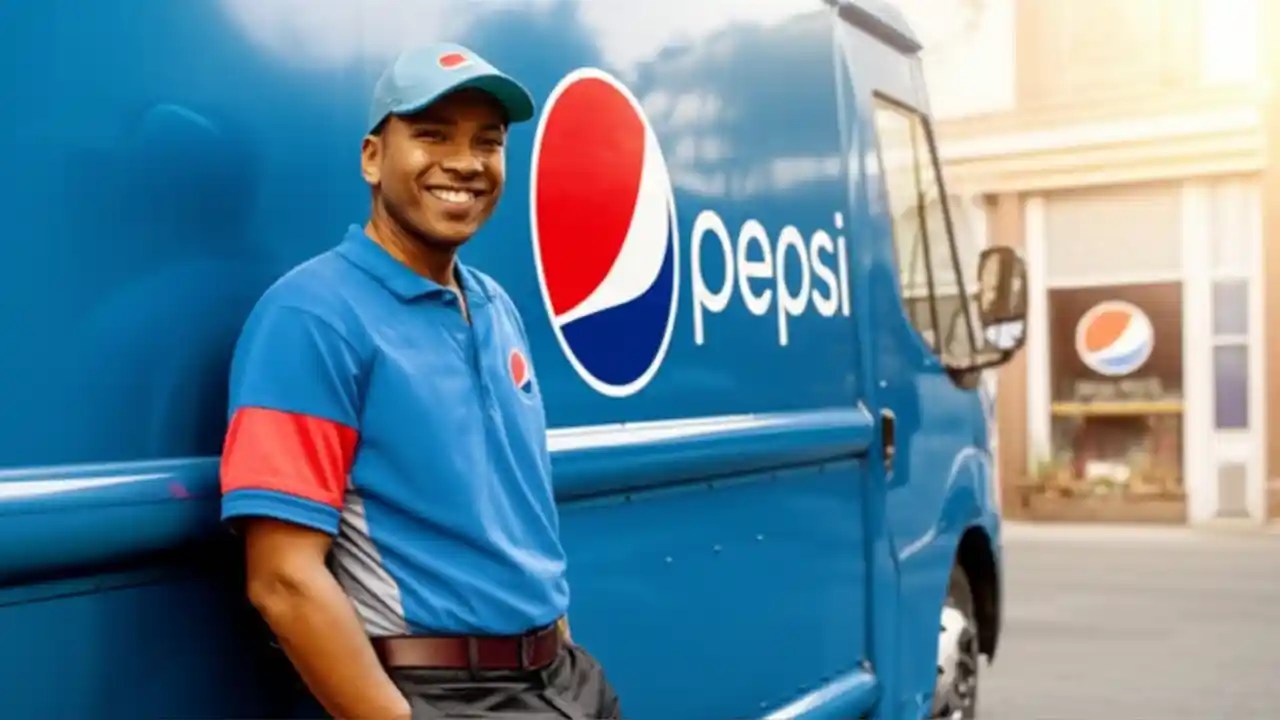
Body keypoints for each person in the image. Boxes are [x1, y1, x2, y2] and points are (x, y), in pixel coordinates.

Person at [218, 42, 623, 719]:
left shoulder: (496, 306)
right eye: (432, 135)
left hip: (565, 682)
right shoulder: (310, 315)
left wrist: (563, 651)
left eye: (487, 142)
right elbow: (283, 580)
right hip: (442, 694)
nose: (465, 162)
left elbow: (518, 522)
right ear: (372, 158)